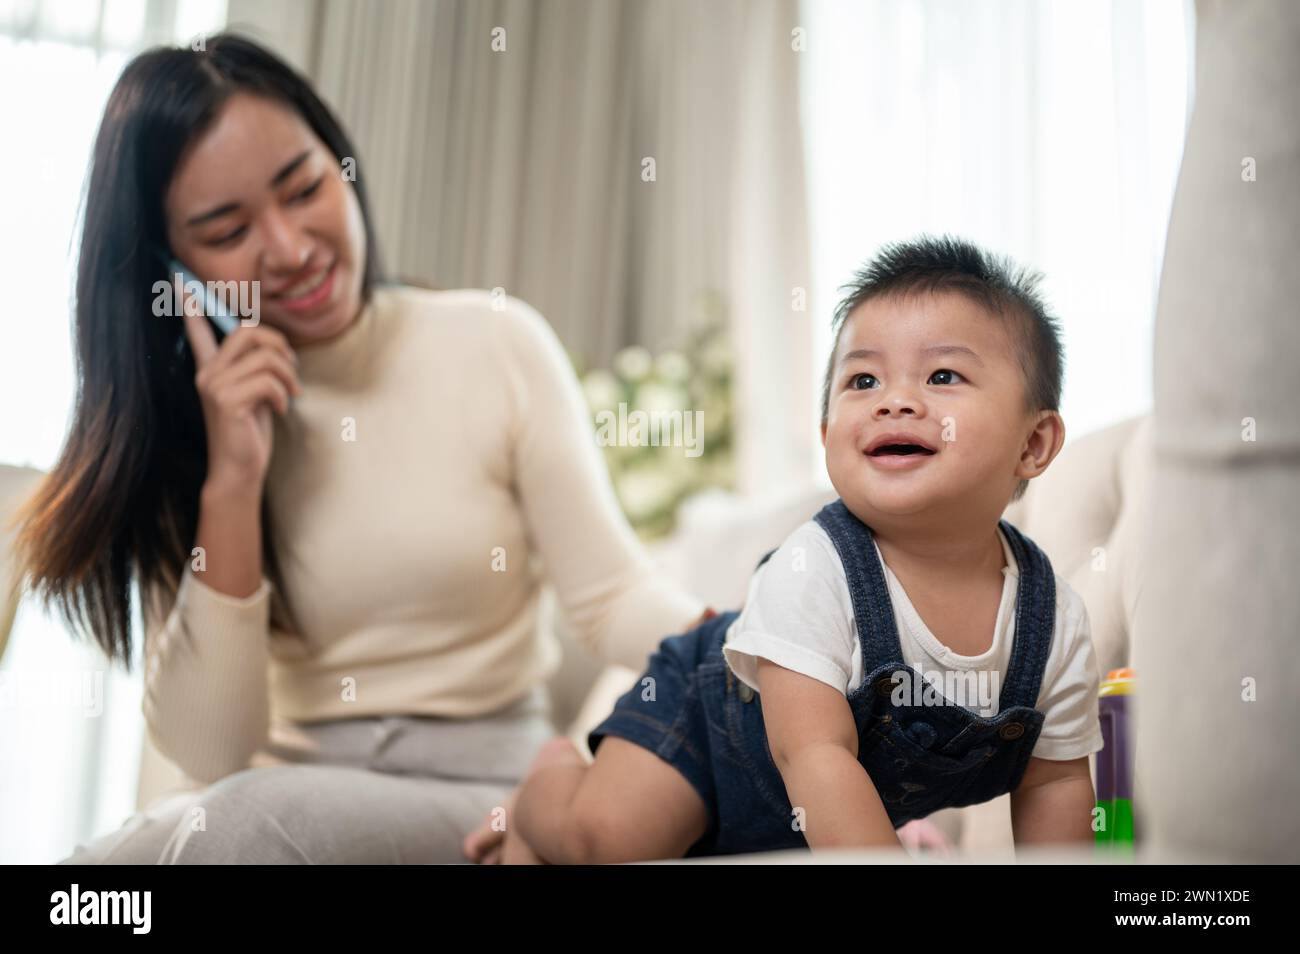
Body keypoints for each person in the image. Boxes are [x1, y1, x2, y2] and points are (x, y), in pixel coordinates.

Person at [11, 32, 706, 864]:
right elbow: (211, 751)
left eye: (304, 188)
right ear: (174, 269)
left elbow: (611, 598)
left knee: (223, 837)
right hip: (278, 796)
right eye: (228, 230)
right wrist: (231, 481)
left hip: (479, 788)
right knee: (106, 874)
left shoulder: (494, 344)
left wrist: (749, 648)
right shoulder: (186, 425)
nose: (293, 247)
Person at [498, 235, 1104, 861]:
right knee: (604, 841)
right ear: (826, 436)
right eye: (863, 380)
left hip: (812, 814)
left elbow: (1054, 780)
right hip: (703, 730)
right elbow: (814, 753)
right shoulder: (813, 566)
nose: (893, 400)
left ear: (1033, 444)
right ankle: (547, 783)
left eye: (943, 375)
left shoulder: (1051, 621)